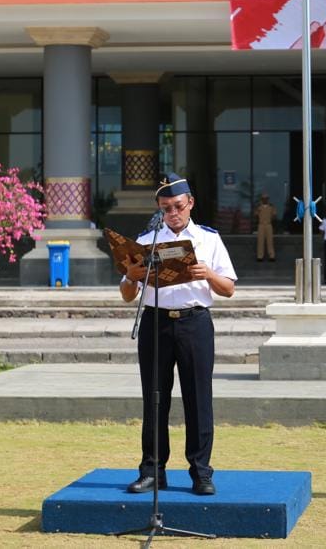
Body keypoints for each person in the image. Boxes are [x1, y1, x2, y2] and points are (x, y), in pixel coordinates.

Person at [119, 172, 238, 496]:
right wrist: (131, 276)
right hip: (156, 324)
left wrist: (208, 273)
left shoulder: (209, 239)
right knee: (154, 398)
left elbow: (228, 289)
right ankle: (152, 470)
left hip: (194, 322)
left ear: (191, 204)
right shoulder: (146, 241)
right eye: (166, 208)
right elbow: (128, 295)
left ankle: (201, 472)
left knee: (198, 399)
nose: (173, 214)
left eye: (178, 207)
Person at [254, 192, 277, 262]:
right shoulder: (259, 207)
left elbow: (274, 215)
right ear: (261, 199)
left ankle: (271, 256)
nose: (265, 200)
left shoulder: (271, 207)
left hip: (268, 225)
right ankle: (260, 256)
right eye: (263, 199)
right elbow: (255, 215)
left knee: (270, 241)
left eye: (266, 199)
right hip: (261, 225)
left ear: (268, 199)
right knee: (260, 241)